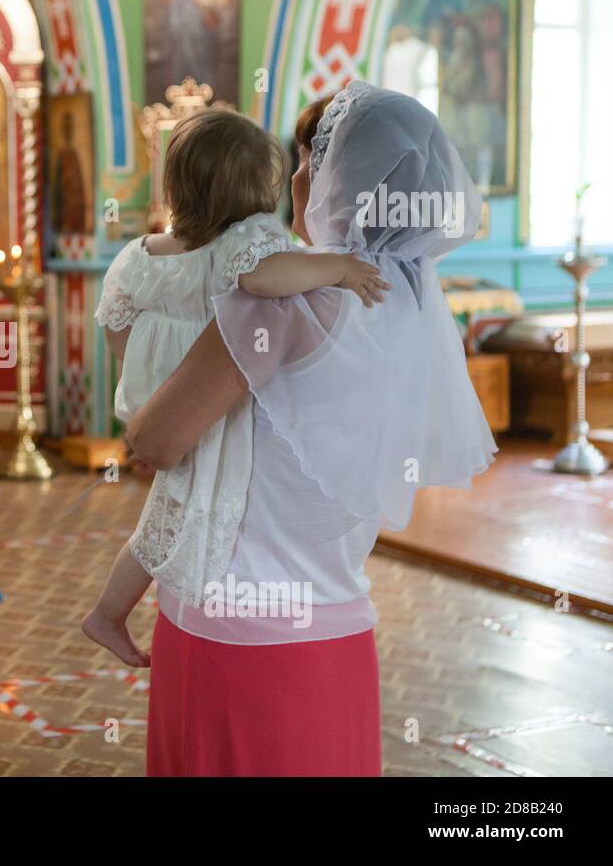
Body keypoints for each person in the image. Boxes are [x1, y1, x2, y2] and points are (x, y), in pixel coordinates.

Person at [127, 81, 497, 776]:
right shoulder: (417, 314)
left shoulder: (284, 307)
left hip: (233, 637)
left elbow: (152, 441)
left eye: (309, 160)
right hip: (338, 639)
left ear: (344, 184)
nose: (294, 179)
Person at [82, 109, 388, 667]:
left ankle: (111, 612)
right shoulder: (242, 248)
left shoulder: (140, 253)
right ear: (255, 191)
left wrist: (141, 390)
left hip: (156, 395)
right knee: (177, 514)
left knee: (163, 511)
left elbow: (114, 321)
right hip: (207, 414)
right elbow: (266, 278)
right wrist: (337, 267)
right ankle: (138, 610)